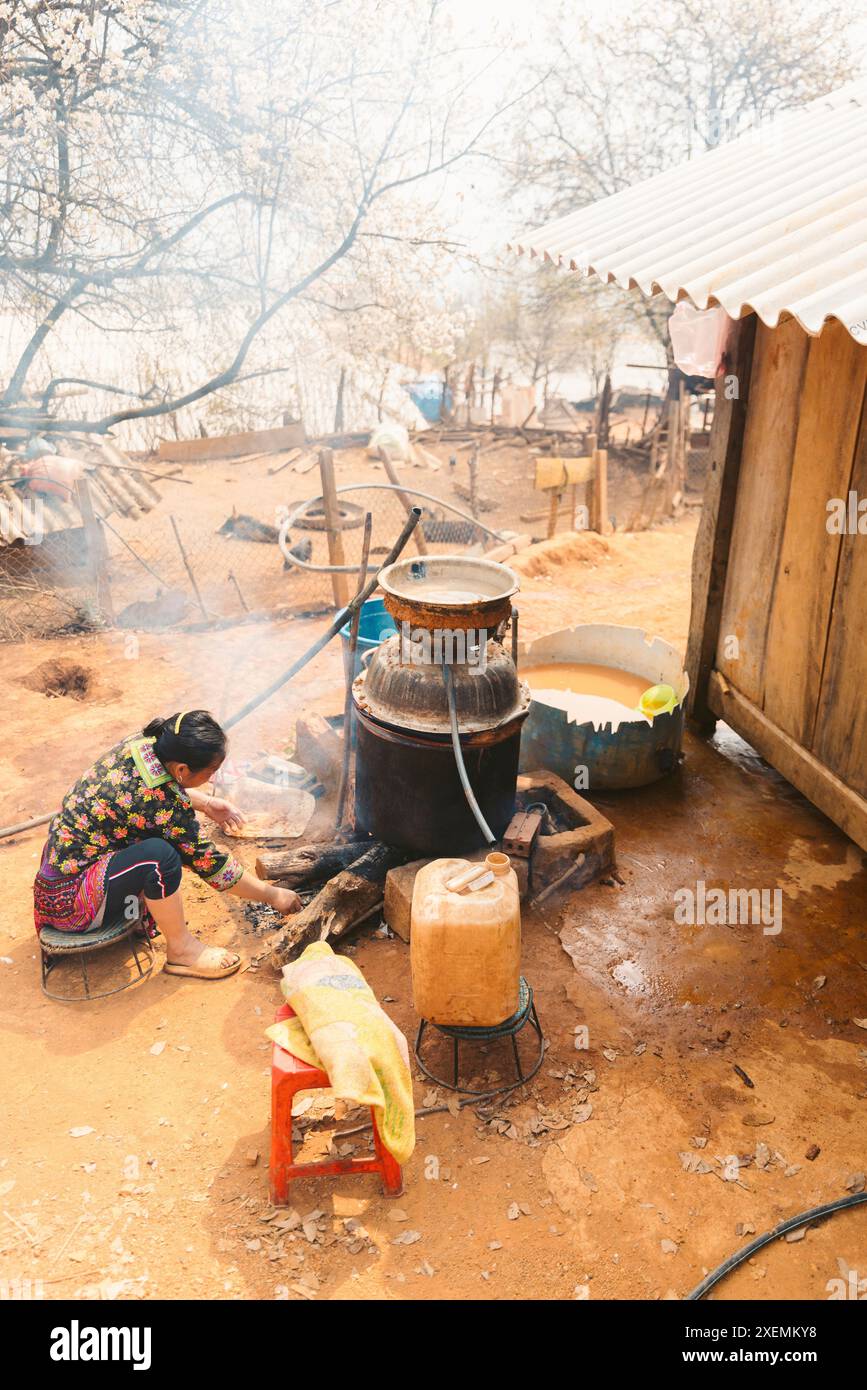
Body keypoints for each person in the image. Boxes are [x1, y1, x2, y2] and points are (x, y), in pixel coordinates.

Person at [33, 710, 301, 980]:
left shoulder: (144, 743)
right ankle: (181, 951)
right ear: (182, 770)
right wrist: (273, 895)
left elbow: (155, 789)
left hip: (60, 869)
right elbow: (212, 866)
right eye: (212, 771)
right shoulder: (164, 807)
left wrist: (206, 804)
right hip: (71, 901)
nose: (213, 778)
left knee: (157, 845)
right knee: (161, 857)